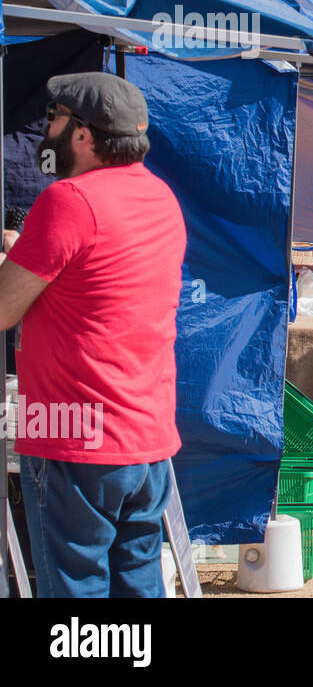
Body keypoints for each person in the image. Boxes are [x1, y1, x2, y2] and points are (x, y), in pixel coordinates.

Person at [0, 73, 187, 597]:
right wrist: (26, 251)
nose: (47, 131)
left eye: (55, 119)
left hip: (75, 436)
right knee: (139, 582)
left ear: (84, 136)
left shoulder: (67, 201)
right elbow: (101, 280)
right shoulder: (161, 198)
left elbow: (2, 308)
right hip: (145, 435)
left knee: (75, 592)